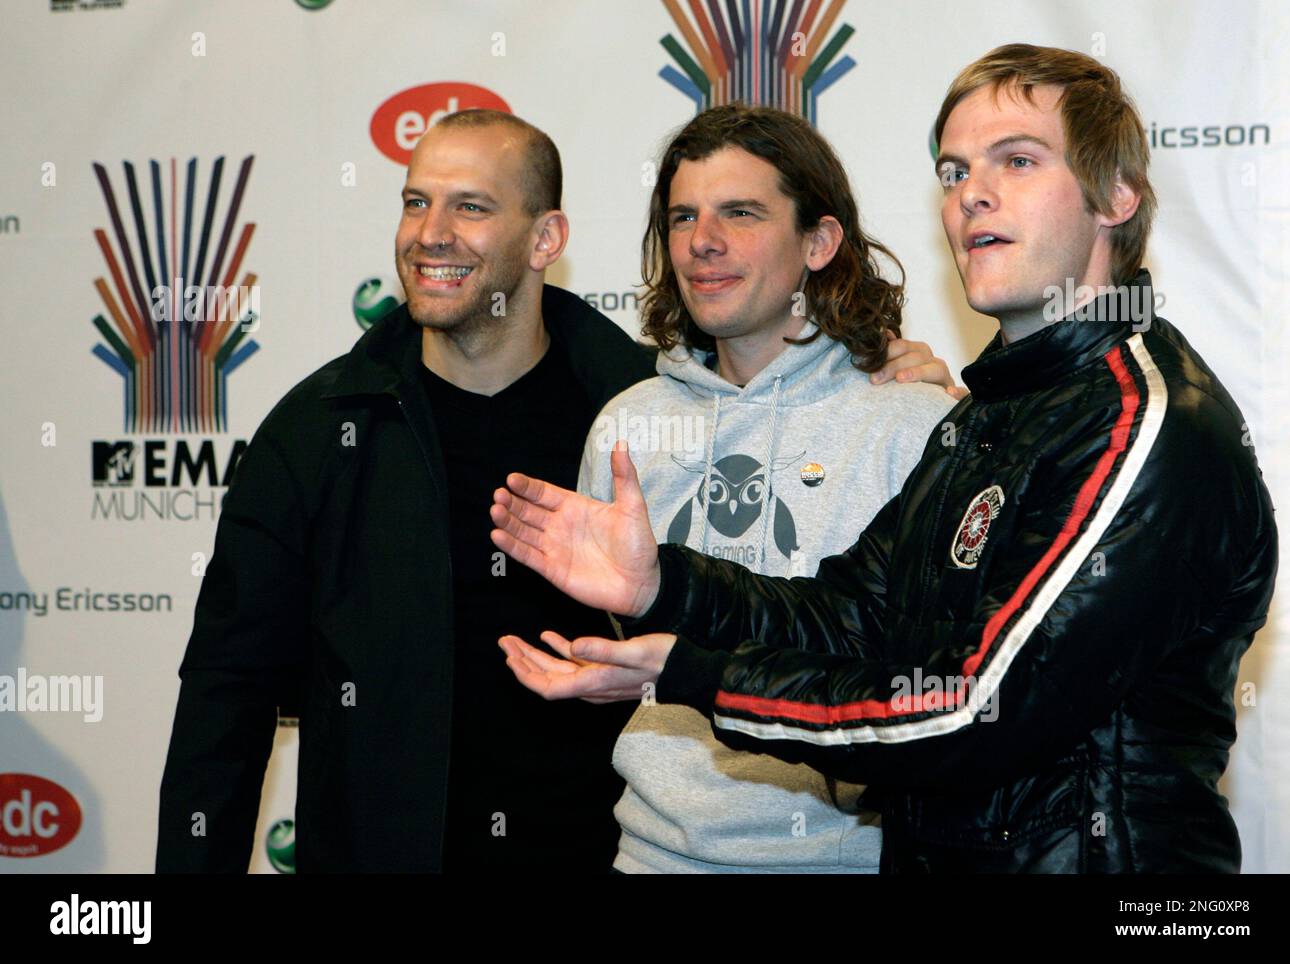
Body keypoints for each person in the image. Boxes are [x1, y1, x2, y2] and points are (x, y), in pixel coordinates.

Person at [493, 45, 1279, 873]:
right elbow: (851, 618)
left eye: (1017, 160)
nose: (972, 191)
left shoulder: (1145, 422)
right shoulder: (989, 418)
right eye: (953, 169)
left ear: (1117, 195)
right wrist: (665, 585)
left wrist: (702, 674)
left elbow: (975, 708)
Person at [156, 107, 952, 873]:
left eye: (469, 205)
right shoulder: (320, 429)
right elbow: (229, 689)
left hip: (602, 852)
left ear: (547, 238)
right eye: (415, 202)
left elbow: (917, 681)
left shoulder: (625, 404)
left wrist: (911, 396)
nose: (432, 232)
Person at [576, 104, 955, 873]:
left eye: (740, 213)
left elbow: (923, 697)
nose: (702, 242)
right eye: (683, 216)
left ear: (819, 242)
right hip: (648, 857)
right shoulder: (628, 425)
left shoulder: (910, 422)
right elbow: (622, 665)